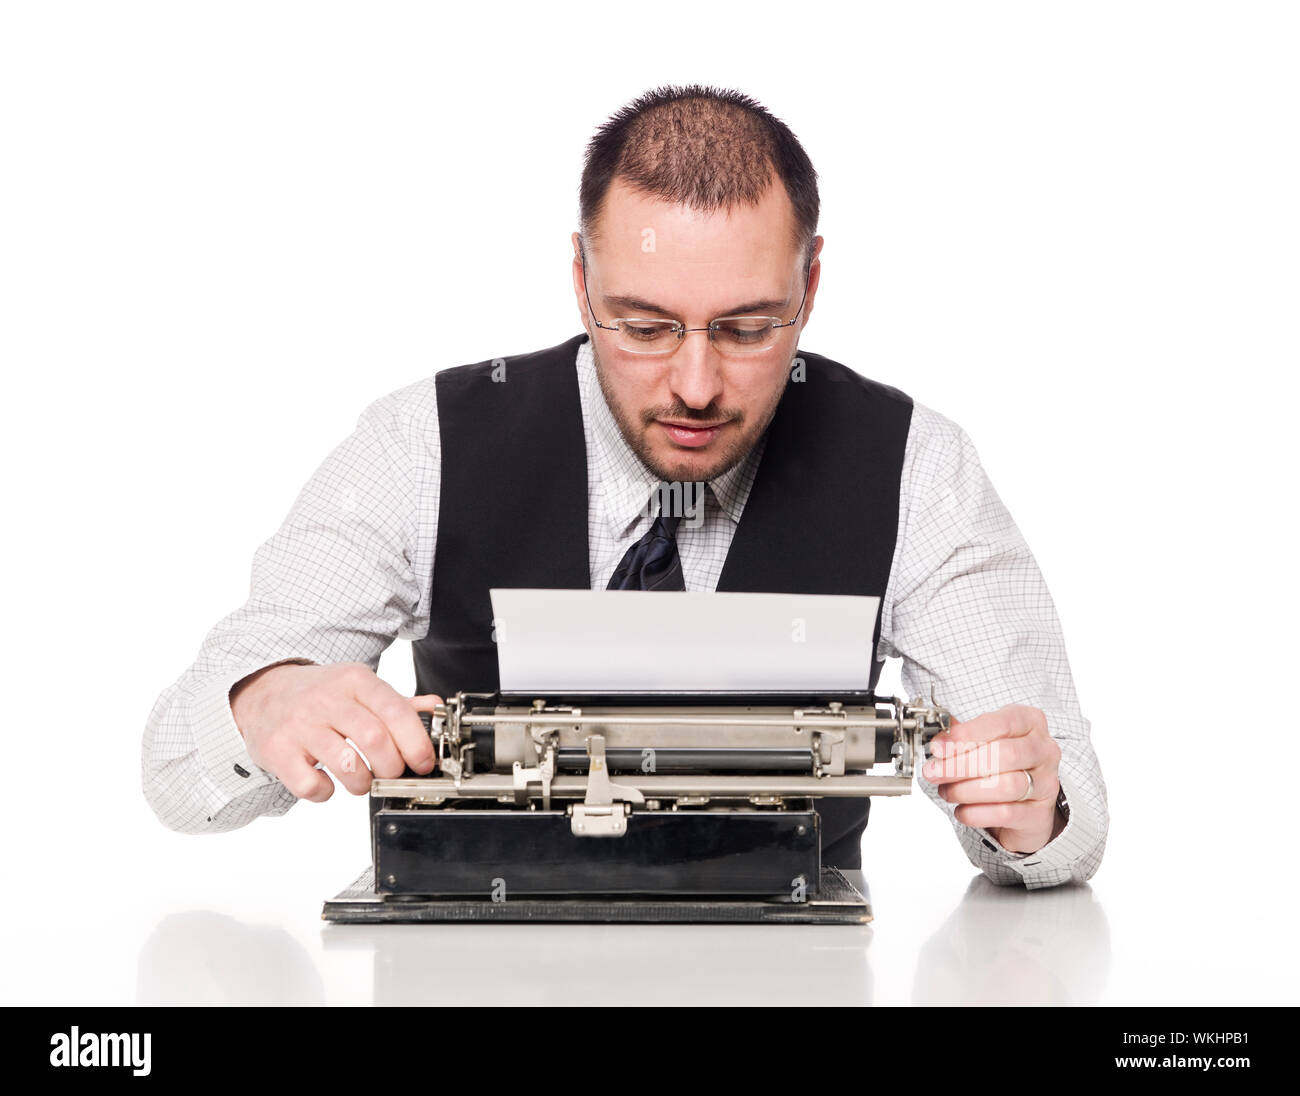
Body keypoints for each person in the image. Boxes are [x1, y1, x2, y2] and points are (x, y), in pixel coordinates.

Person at [143, 85, 1107, 889]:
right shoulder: (419, 445)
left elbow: (1073, 821)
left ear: (811, 286)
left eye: (747, 328)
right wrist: (265, 700)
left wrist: (1028, 808)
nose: (694, 385)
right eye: (643, 326)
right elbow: (178, 776)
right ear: (579, 280)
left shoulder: (915, 467)